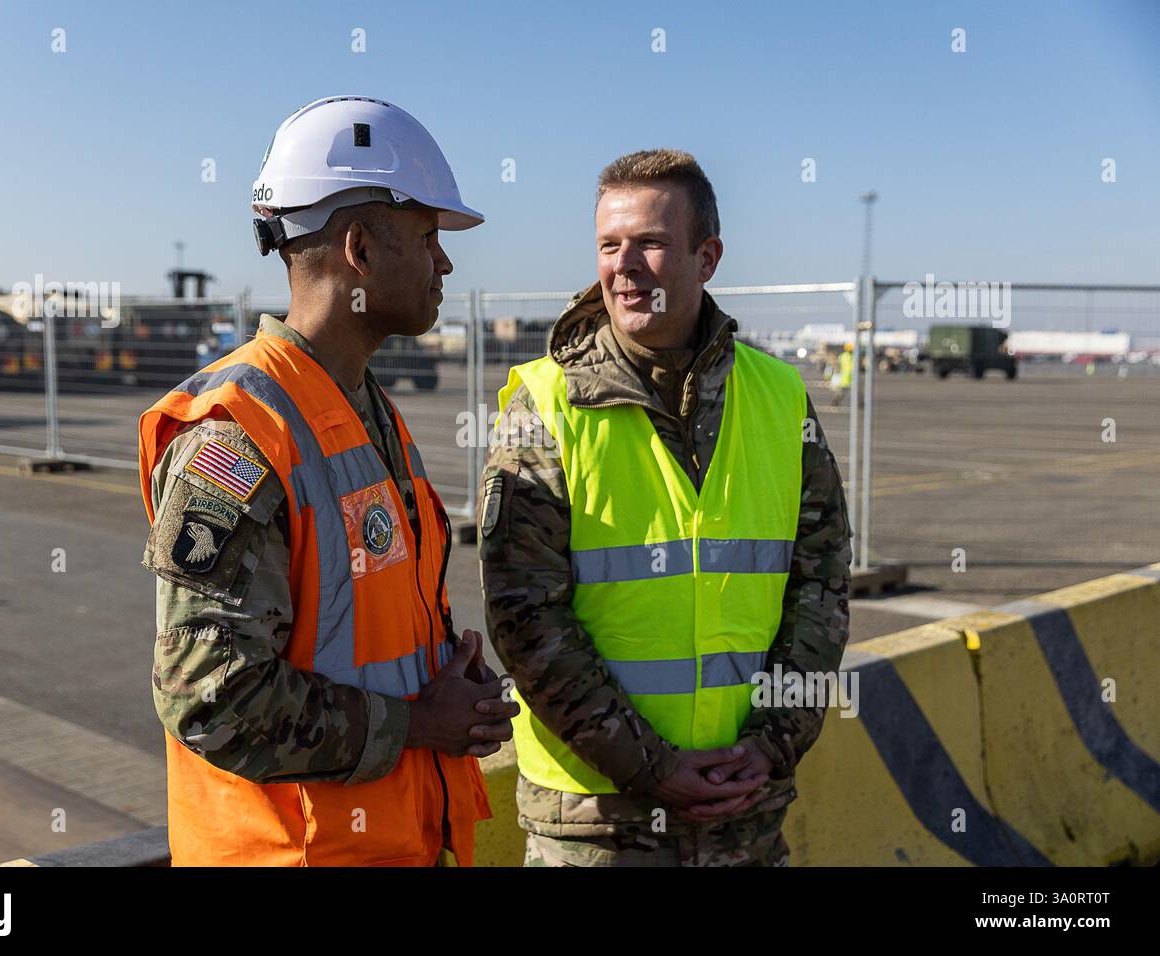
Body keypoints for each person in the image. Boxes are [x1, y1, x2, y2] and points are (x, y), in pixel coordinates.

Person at [137, 95, 518, 866]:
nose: (444, 262)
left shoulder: (368, 412)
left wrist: (443, 676)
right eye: (427, 237)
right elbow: (208, 694)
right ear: (361, 250)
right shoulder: (239, 433)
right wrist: (418, 723)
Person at [479, 149, 852, 867]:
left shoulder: (778, 396)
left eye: (649, 243)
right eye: (609, 246)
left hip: (744, 810)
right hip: (597, 824)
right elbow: (525, 617)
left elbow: (822, 586)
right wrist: (651, 766)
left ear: (706, 257)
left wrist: (770, 744)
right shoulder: (544, 405)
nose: (624, 266)